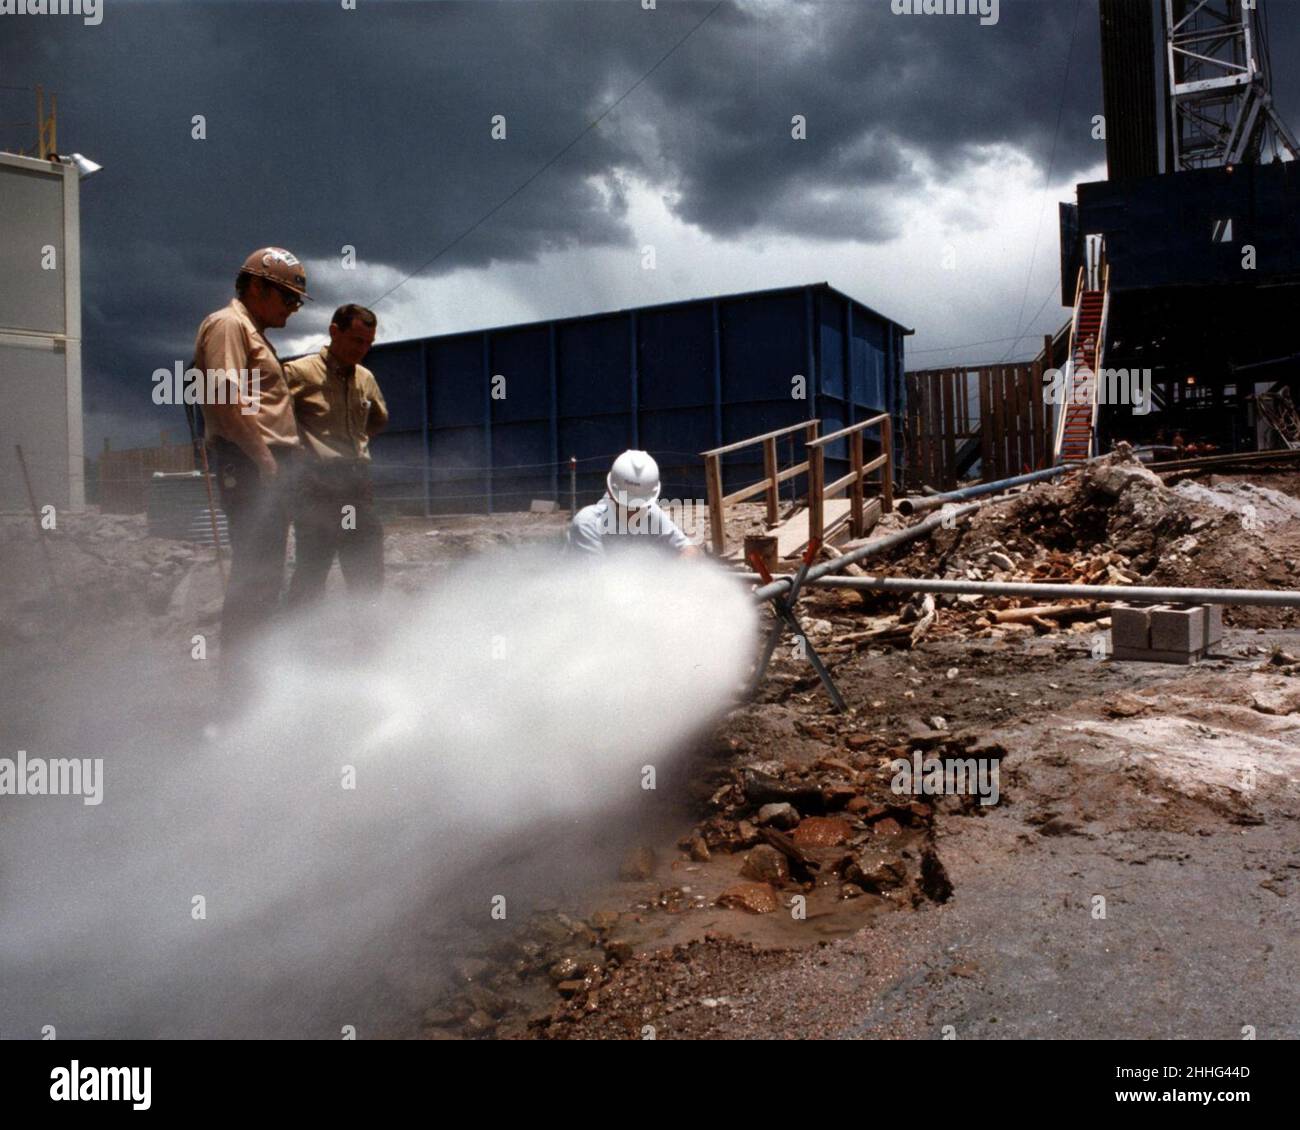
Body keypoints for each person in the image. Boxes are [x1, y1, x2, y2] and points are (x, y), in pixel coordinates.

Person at [193, 246, 309, 697]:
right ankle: (240, 692)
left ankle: (253, 682)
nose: (293, 309)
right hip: (251, 462)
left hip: (262, 461)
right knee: (255, 577)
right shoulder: (229, 325)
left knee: (264, 577)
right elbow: (224, 399)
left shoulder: (251, 331)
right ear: (257, 286)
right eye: (287, 298)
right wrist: (264, 461)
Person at [284, 304, 388, 606]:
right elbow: (269, 415)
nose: (363, 349)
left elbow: (378, 419)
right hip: (317, 486)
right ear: (334, 332)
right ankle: (295, 646)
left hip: (356, 484)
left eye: (369, 343)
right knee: (312, 570)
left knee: (366, 567)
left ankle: (367, 644)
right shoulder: (298, 373)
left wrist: (354, 440)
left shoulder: (365, 378)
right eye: (357, 340)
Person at [567, 450, 700, 558]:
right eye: (627, 505)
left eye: (639, 506)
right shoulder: (587, 524)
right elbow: (599, 582)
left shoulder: (650, 513)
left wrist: (678, 575)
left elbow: (689, 550)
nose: (634, 512)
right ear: (611, 493)